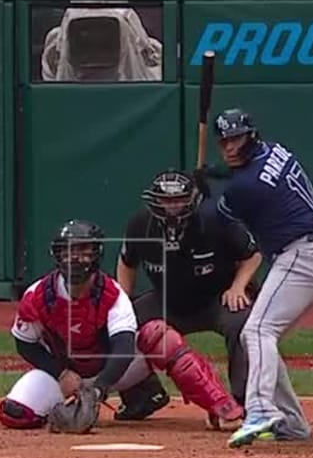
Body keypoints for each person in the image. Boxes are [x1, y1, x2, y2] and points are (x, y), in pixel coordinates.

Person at [0, 219, 242, 431]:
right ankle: (69, 411)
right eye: (68, 251)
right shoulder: (38, 294)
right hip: (64, 372)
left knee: (157, 335)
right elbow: (25, 344)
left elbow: (124, 347)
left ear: (96, 255)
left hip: (113, 372)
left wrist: (97, 389)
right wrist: (61, 374)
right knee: (15, 414)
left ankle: (222, 407)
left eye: (83, 250)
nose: (75, 258)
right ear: (57, 255)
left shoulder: (112, 294)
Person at [202, 108, 313, 447]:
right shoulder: (275, 150)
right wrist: (211, 173)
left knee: (257, 330)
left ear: (251, 135)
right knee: (264, 337)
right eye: (224, 143)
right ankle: (292, 424)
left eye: (236, 139)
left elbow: (215, 221)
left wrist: (201, 195)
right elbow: (238, 171)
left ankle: (261, 410)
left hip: (301, 258)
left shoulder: (246, 188)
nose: (230, 148)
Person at [116, 168, 288, 432]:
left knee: (244, 325)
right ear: (155, 201)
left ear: (191, 200)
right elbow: (127, 262)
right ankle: (142, 396)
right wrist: (123, 302)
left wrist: (238, 287)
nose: (172, 207)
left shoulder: (215, 219)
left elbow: (252, 255)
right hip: (168, 301)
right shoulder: (140, 224)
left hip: (215, 298)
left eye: (179, 200)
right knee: (121, 326)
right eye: (166, 200)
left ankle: (243, 401)